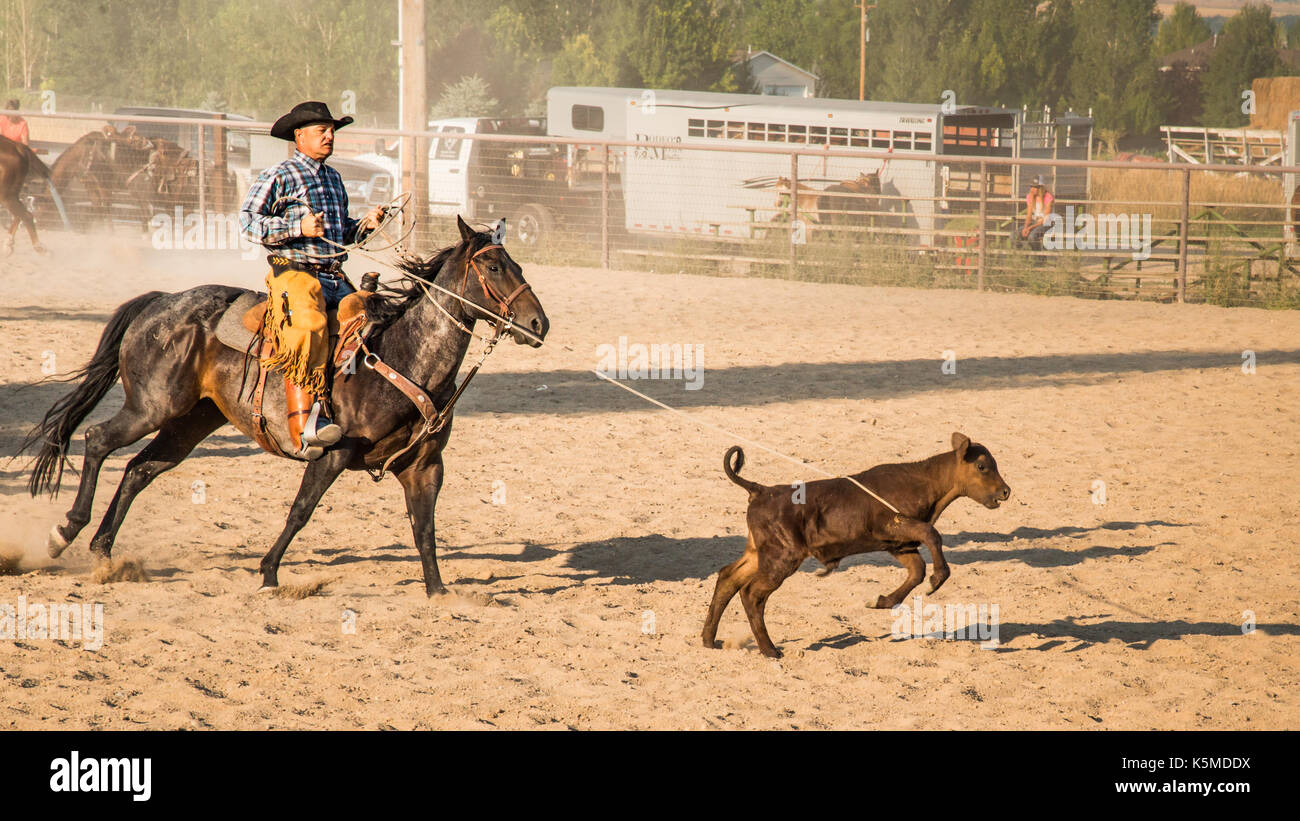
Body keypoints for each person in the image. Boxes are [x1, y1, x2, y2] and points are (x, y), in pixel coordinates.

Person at [239, 101, 385, 460]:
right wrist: (296, 227)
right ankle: (304, 429)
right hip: (294, 273)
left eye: (331, 131)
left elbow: (339, 234)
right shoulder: (279, 175)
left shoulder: (333, 179)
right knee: (308, 327)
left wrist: (363, 226)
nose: (329, 136)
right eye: (322, 131)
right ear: (299, 136)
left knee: (376, 320)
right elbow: (246, 222)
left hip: (334, 274)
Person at [1020, 174, 1054, 251]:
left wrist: (1030, 228)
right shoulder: (1030, 196)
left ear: (1040, 188)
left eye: (1035, 187)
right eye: (1031, 186)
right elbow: (1029, 215)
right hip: (1035, 222)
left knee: (1032, 236)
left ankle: (1038, 258)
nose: (1032, 189)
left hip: (1046, 224)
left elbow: (1045, 219)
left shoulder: (1048, 197)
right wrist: (1026, 227)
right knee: (1014, 235)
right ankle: (1021, 256)